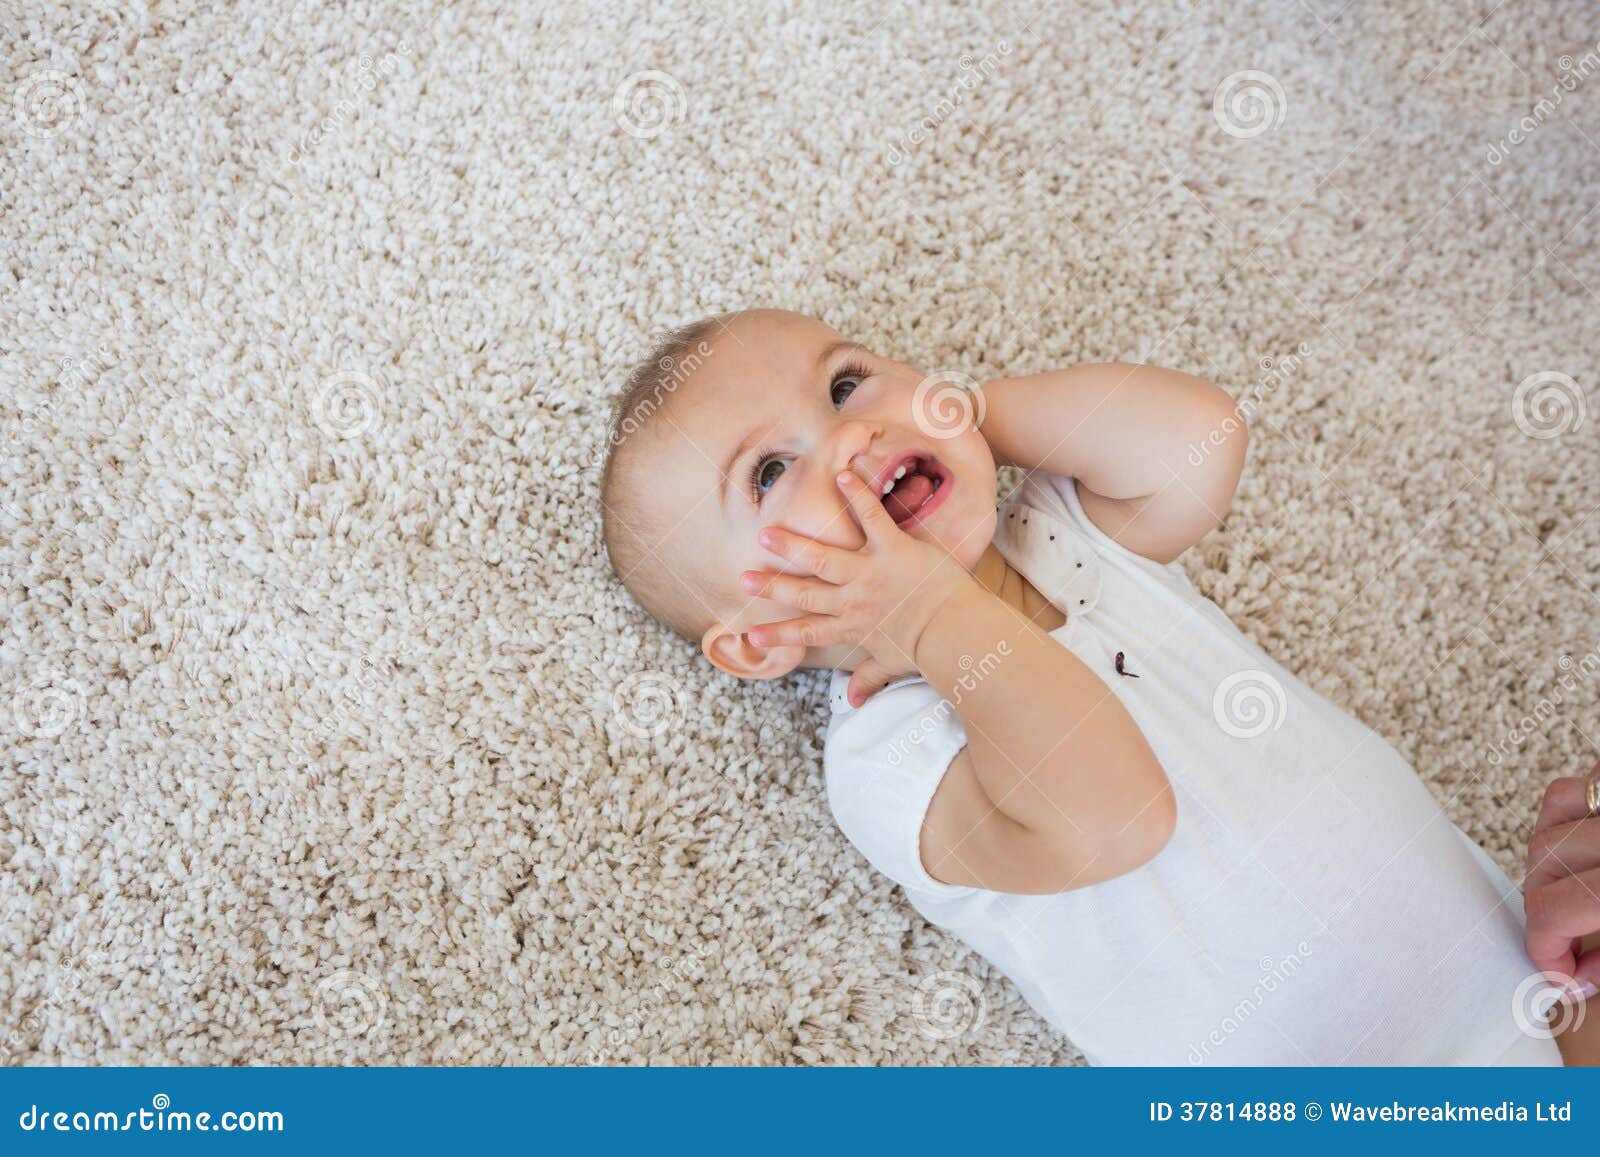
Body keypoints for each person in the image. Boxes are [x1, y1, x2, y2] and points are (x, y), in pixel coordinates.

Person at [600, 308, 1588, 1064]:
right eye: (771, 469)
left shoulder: (1059, 536)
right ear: (759, 638)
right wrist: (924, 615)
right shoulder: (887, 752)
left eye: (847, 383)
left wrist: (963, 415)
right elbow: (1115, 818)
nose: (847, 438)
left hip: (1531, 994)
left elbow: (1200, 435)